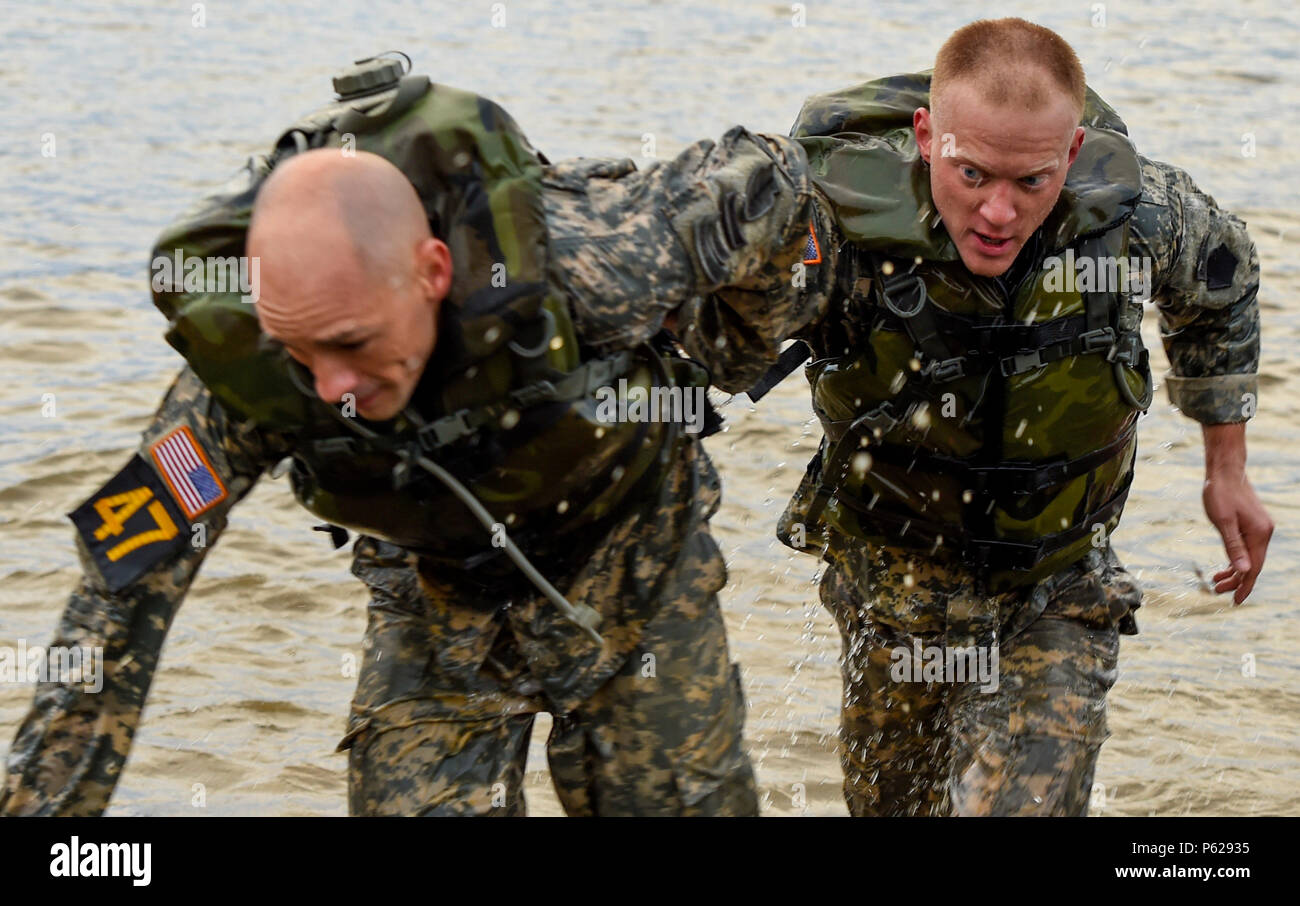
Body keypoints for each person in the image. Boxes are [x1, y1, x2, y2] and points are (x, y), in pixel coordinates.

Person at [1, 55, 819, 816]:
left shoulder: (598, 258)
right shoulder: (240, 390)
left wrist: (729, 347)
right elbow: (121, 592)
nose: (331, 388)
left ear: (433, 272)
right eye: (299, 352)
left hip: (634, 565)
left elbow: (775, 182)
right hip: (436, 600)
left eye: (352, 343)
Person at [674, 18, 1272, 815]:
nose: (998, 211)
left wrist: (1226, 467)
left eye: (1031, 182)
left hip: (1055, 594)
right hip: (890, 597)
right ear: (926, 136)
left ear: (1071, 151)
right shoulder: (835, 234)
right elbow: (690, 333)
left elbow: (1223, 284)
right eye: (972, 173)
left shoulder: (1140, 219)